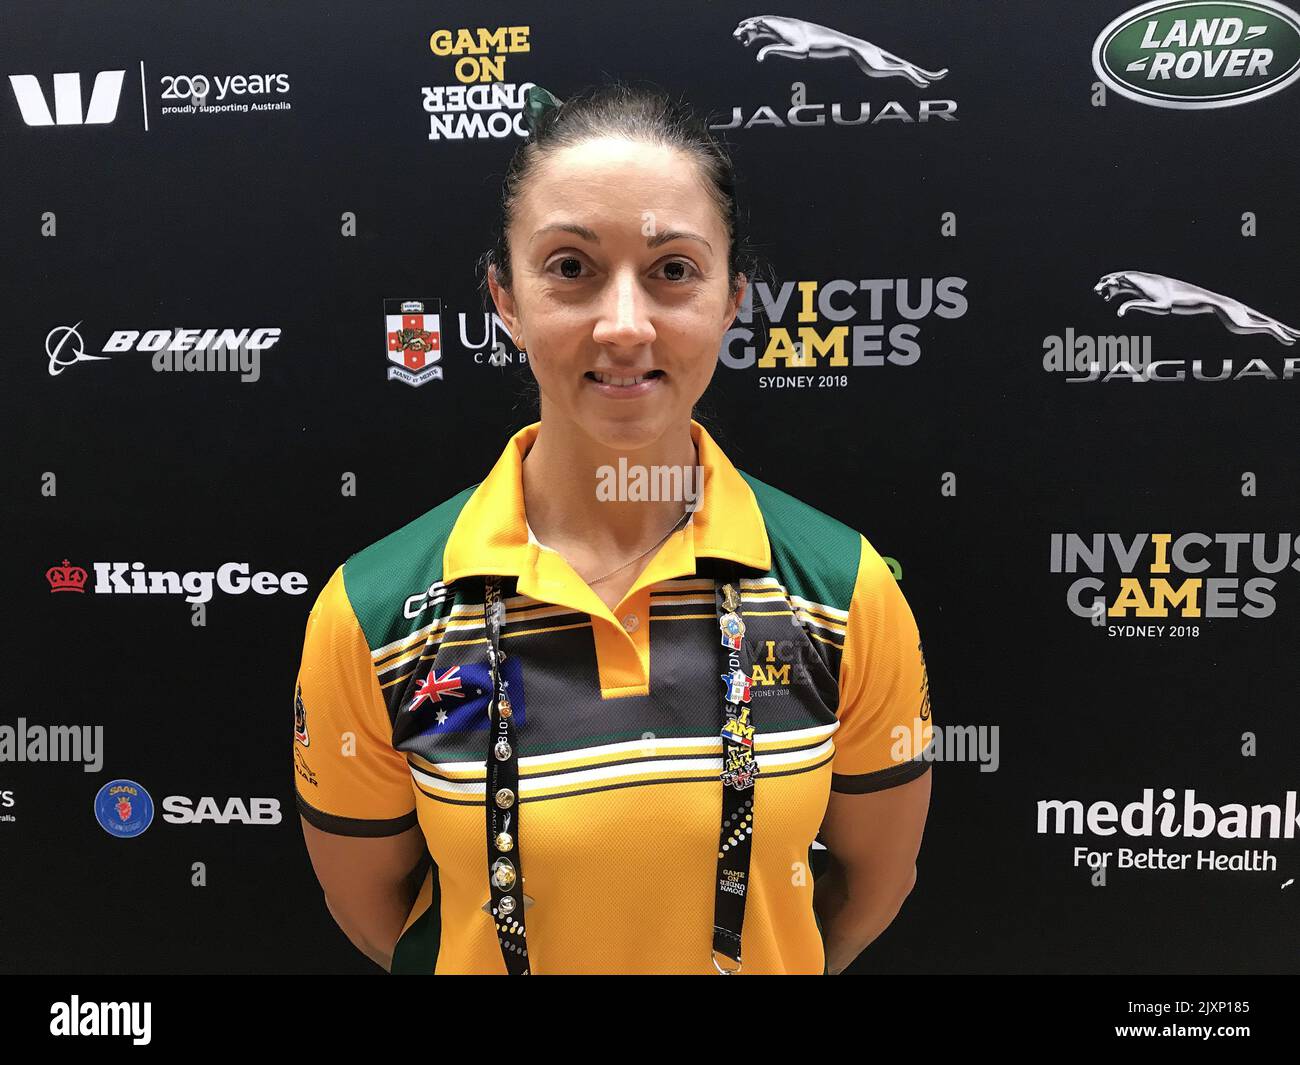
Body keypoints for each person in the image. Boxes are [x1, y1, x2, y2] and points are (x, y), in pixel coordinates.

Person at [293, 81, 934, 975]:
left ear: (732, 299)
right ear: (505, 300)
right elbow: (374, 909)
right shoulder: (375, 611)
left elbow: (872, 883)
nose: (625, 325)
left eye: (674, 270)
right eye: (570, 268)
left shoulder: (840, 588)